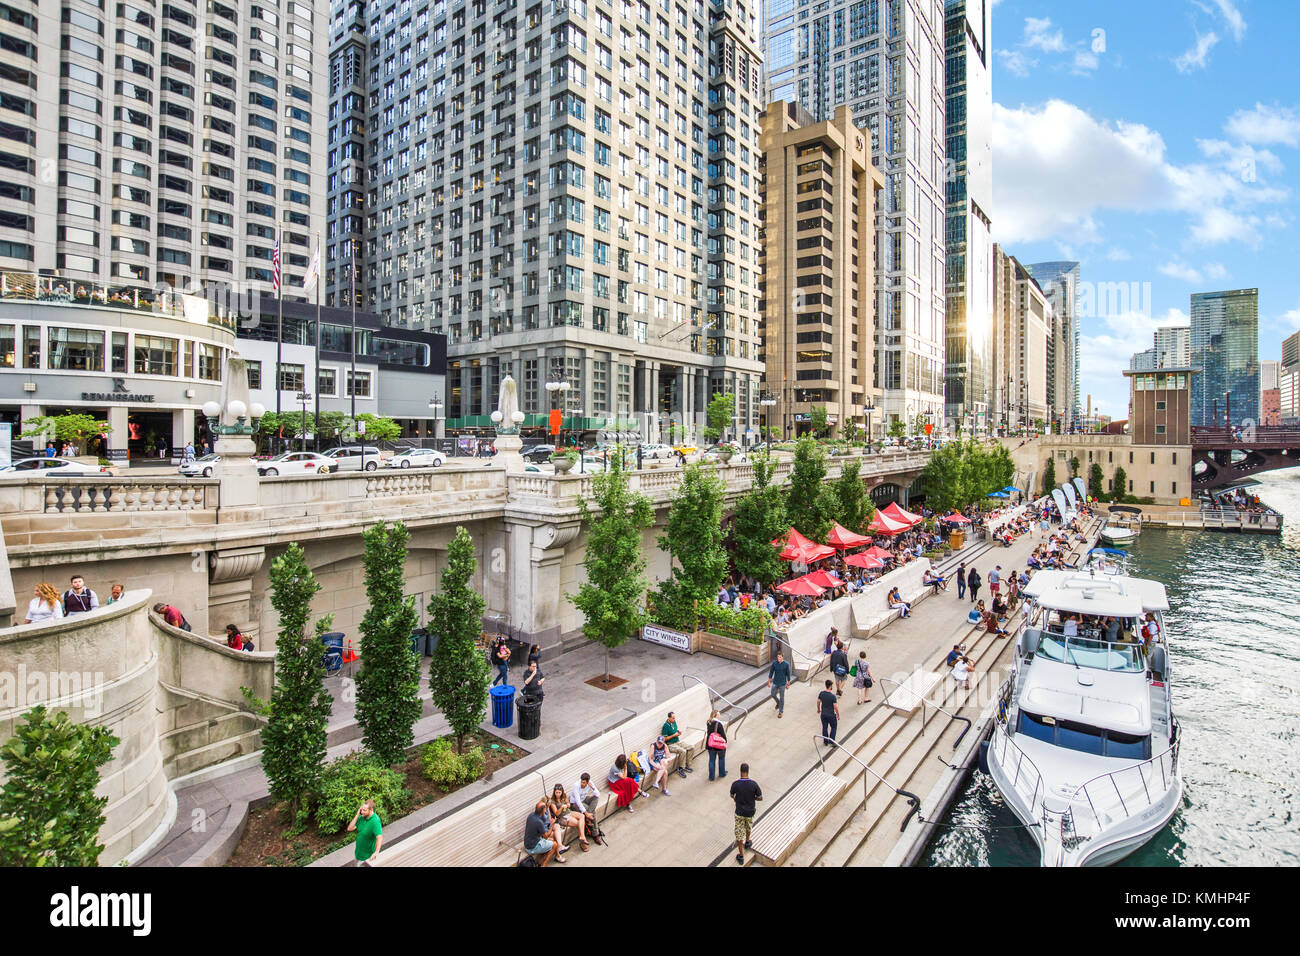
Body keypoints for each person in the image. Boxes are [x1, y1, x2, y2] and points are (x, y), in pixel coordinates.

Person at [729, 763, 762, 865]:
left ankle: (741, 855)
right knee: (748, 826)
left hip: (739, 812)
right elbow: (760, 797)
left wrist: (736, 798)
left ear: (740, 771)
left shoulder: (735, 784)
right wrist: (753, 798)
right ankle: (747, 841)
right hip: (750, 812)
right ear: (748, 771)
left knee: (739, 834)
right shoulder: (753, 784)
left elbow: (732, 795)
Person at [548, 783, 589, 851]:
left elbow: (568, 803)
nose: (558, 794)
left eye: (559, 792)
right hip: (562, 817)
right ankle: (583, 843)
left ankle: (582, 836)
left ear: (562, 792)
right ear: (554, 792)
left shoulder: (564, 795)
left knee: (582, 816)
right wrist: (561, 807)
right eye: (556, 792)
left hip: (569, 812)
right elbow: (556, 814)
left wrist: (568, 805)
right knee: (578, 823)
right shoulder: (553, 801)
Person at [523, 798, 561, 866]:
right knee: (555, 844)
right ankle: (544, 865)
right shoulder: (539, 822)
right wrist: (552, 824)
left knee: (551, 840)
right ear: (543, 810)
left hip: (527, 843)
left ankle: (540, 862)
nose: (546, 809)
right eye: (545, 808)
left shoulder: (531, 815)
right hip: (532, 847)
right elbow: (546, 836)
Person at [348, 799, 383, 866]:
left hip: (367, 857)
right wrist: (357, 815)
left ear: (371, 810)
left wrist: (376, 852)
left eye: (364, 810)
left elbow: (379, 837)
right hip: (358, 854)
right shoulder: (362, 817)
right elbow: (350, 828)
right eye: (361, 810)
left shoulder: (375, 821)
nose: (362, 812)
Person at [662, 710, 692, 777]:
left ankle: (687, 764)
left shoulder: (674, 722)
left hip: (677, 741)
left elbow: (675, 730)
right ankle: (680, 768)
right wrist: (674, 735)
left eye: (674, 718)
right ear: (669, 718)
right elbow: (664, 739)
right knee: (683, 751)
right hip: (670, 744)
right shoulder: (665, 726)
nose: (674, 719)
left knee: (691, 747)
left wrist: (678, 732)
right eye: (673, 718)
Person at [767, 651, 791, 718]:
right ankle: (778, 703)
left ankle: (781, 712)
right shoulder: (774, 663)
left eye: (780, 657)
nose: (779, 658)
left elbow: (788, 674)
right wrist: (769, 681)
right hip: (775, 682)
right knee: (773, 694)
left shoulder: (786, 664)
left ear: (782, 657)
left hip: (782, 684)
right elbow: (771, 672)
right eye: (778, 657)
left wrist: (788, 683)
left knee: (782, 697)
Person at [705, 710, 727, 781]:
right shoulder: (719, 724)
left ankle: (711, 777)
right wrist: (725, 742)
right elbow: (723, 735)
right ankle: (722, 773)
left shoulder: (708, 722)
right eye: (719, 714)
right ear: (716, 716)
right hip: (718, 745)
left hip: (710, 744)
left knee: (711, 760)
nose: (720, 716)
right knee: (721, 758)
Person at [817, 679, 839, 745]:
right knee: (834, 727)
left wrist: (818, 709)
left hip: (823, 714)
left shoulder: (821, 693)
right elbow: (835, 707)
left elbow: (818, 701)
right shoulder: (832, 696)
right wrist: (838, 714)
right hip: (831, 715)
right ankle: (832, 741)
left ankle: (825, 741)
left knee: (824, 727)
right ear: (830, 686)